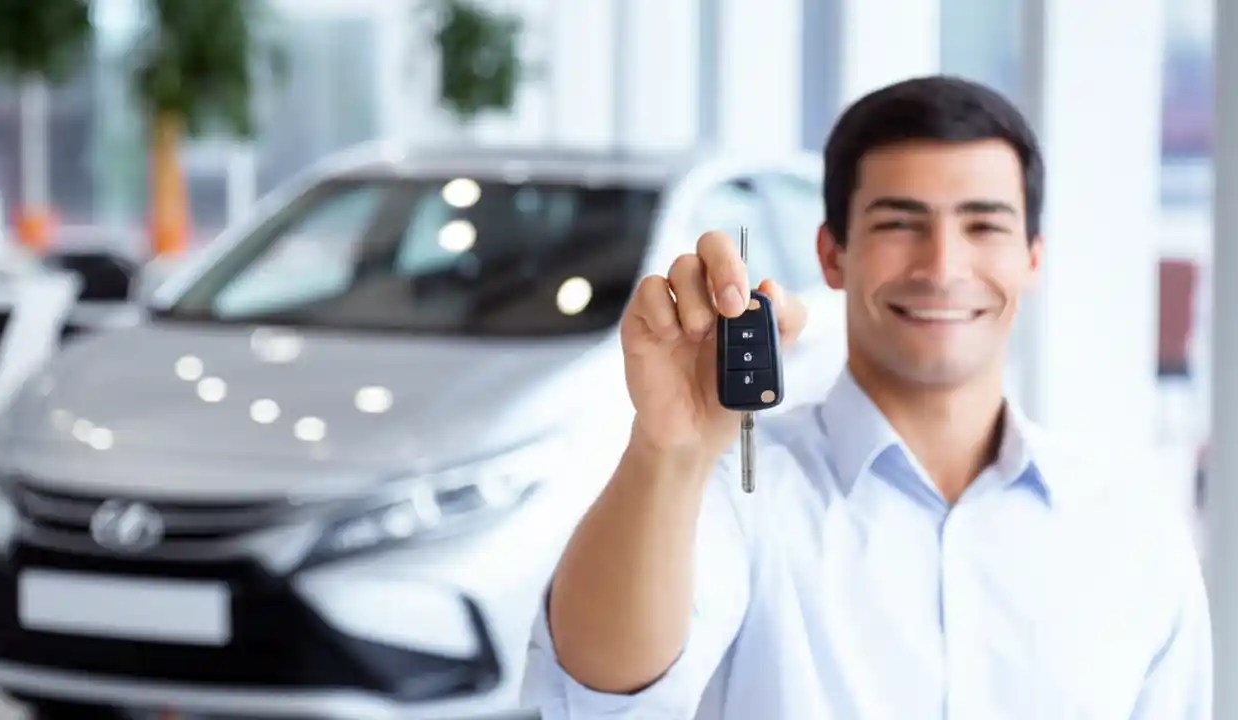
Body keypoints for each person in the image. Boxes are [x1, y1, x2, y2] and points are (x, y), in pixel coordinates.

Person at [519, 75, 1213, 719]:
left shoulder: (1130, 527)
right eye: (900, 223)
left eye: (983, 225)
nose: (942, 267)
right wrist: (667, 450)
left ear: (1032, 257)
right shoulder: (737, 489)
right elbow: (596, 693)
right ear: (832, 255)